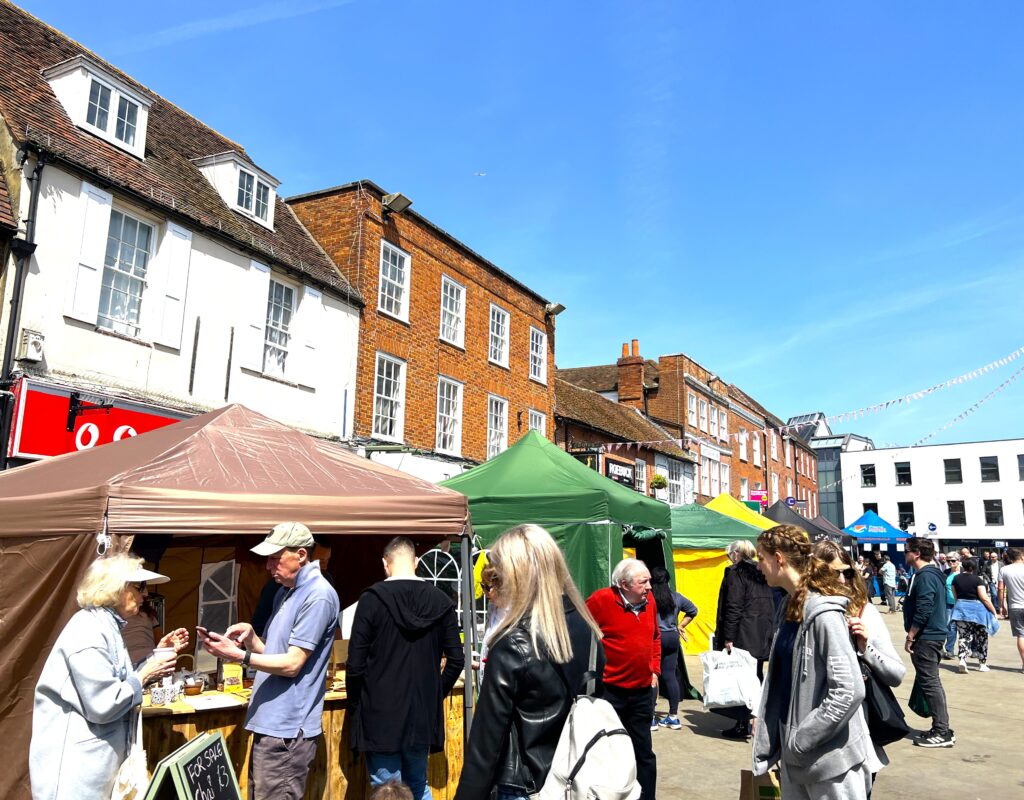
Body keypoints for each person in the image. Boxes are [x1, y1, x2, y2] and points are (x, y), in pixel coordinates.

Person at [455, 524, 606, 800]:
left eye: (499, 571)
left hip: (527, 785)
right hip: (579, 775)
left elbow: (485, 748)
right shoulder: (587, 628)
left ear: (515, 574)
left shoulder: (513, 644)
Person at [200, 522, 340, 800]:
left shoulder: (318, 595)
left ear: (301, 555)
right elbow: (276, 653)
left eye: (275, 558)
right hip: (273, 724)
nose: (268, 565)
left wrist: (241, 656)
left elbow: (292, 664)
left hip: (287, 730)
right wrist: (251, 639)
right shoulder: (286, 591)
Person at [30, 553, 184, 799]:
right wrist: (144, 674)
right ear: (116, 589)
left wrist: (155, 657)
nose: (145, 594)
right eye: (140, 586)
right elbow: (103, 704)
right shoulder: (88, 631)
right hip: (76, 773)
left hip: (93, 767)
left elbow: (117, 679)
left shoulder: (105, 625)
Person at [751, 525, 869, 799]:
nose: (758, 566)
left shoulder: (824, 613)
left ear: (778, 558)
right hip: (795, 762)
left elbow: (849, 690)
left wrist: (803, 740)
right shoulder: (788, 606)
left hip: (830, 766)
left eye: (760, 558)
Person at [347, 536, 464, 800]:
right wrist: (435, 693)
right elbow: (456, 659)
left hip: (380, 714)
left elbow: (355, 666)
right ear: (417, 562)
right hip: (421, 714)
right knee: (417, 785)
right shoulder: (441, 601)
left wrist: (358, 705)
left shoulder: (371, 599)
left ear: (384, 564)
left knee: (386, 789)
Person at [813, 541, 905, 790]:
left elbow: (897, 674)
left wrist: (865, 648)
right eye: (834, 573)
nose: (842, 580)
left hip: (856, 740)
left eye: (848, 572)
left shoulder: (864, 612)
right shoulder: (802, 614)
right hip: (810, 741)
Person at [587, 558, 660, 800]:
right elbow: (580, 631)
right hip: (610, 692)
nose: (649, 586)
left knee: (643, 753)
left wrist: (655, 671)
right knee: (607, 750)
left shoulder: (650, 603)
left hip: (641, 692)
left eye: (649, 580)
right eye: (643, 582)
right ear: (623, 584)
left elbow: (655, 638)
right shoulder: (601, 600)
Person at [714, 539, 775, 740]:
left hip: (743, 635)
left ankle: (743, 723)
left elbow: (733, 606)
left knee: (741, 680)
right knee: (756, 677)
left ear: (736, 554)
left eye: (729, 555)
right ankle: (756, 720)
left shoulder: (736, 573)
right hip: (760, 632)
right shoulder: (760, 572)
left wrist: (728, 637)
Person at [903, 537, 955, 747]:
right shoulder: (933, 574)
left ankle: (942, 731)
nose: (904, 553)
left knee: (930, 682)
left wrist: (911, 634)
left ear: (916, 553)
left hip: (927, 636)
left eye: (906, 550)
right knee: (931, 681)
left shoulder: (925, 576)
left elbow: (924, 607)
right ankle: (940, 728)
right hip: (932, 635)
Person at [649, 566, 697, 732]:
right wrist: (681, 625)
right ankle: (673, 716)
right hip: (671, 638)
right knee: (670, 675)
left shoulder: (648, 598)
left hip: (655, 638)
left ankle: (651, 718)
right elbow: (693, 610)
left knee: (652, 675)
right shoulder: (676, 597)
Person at [950, 558, 998, 673]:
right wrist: (994, 611)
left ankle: (962, 659)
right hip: (977, 612)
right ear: (974, 568)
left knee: (963, 636)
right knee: (981, 637)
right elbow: (984, 598)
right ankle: (982, 664)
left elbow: (955, 596)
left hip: (960, 609)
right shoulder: (978, 580)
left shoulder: (955, 579)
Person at [476, 563, 509, 685]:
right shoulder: (492, 609)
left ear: (501, 586)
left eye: (487, 587)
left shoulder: (512, 613)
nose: (484, 591)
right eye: (482, 586)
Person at [997, 547, 1024, 672]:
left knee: (1021, 635)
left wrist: (1001, 605)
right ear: (1021, 556)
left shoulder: (1004, 570)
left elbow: (1001, 589)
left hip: (1015, 606)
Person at [942, 553, 961, 660]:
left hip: (962, 603)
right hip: (948, 603)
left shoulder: (964, 571)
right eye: (948, 561)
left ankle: (971, 649)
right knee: (950, 626)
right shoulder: (946, 572)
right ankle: (949, 650)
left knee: (965, 628)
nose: (950, 563)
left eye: (953, 561)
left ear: (958, 560)